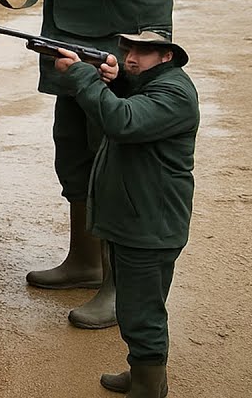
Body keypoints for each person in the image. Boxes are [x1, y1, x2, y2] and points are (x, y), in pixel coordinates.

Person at [0, 0, 175, 329]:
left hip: (122, 58)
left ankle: (122, 289)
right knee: (75, 157)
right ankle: (86, 261)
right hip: (78, 52)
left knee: (116, 170)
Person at [54, 33, 198, 397]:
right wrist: (116, 80)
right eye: (129, 50)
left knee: (143, 312)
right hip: (137, 221)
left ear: (166, 56)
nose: (131, 58)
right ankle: (143, 375)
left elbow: (123, 121)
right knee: (134, 307)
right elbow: (134, 102)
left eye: (143, 52)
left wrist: (82, 76)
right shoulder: (155, 85)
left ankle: (149, 387)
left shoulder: (175, 93)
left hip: (150, 225)